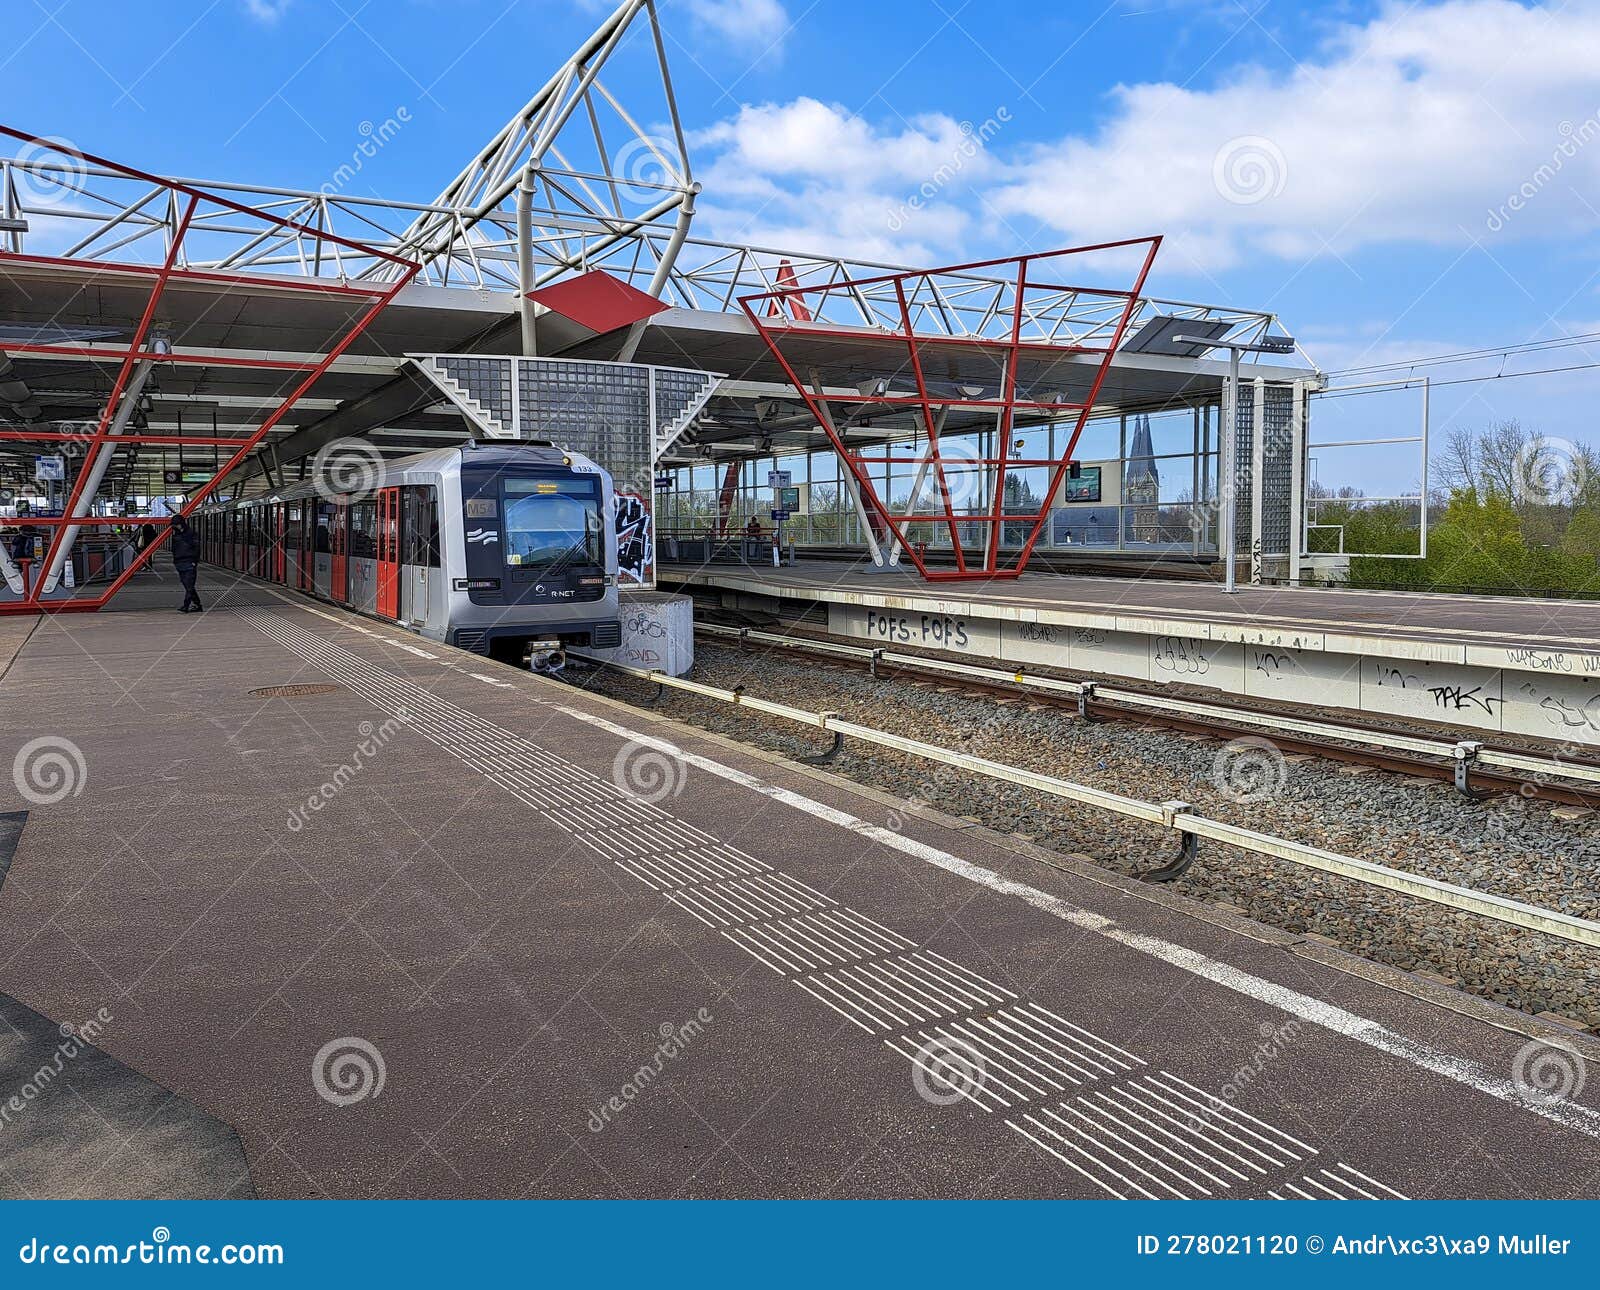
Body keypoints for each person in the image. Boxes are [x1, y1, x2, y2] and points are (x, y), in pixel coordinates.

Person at [170, 514, 202, 613]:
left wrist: (194, 561)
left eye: (177, 524)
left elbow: (196, 548)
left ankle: (186, 605)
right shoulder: (176, 534)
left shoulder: (191, 534)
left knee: (189, 586)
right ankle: (197, 605)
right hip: (180, 562)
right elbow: (174, 548)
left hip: (189, 562)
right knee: (188, 585)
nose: (176, 526)